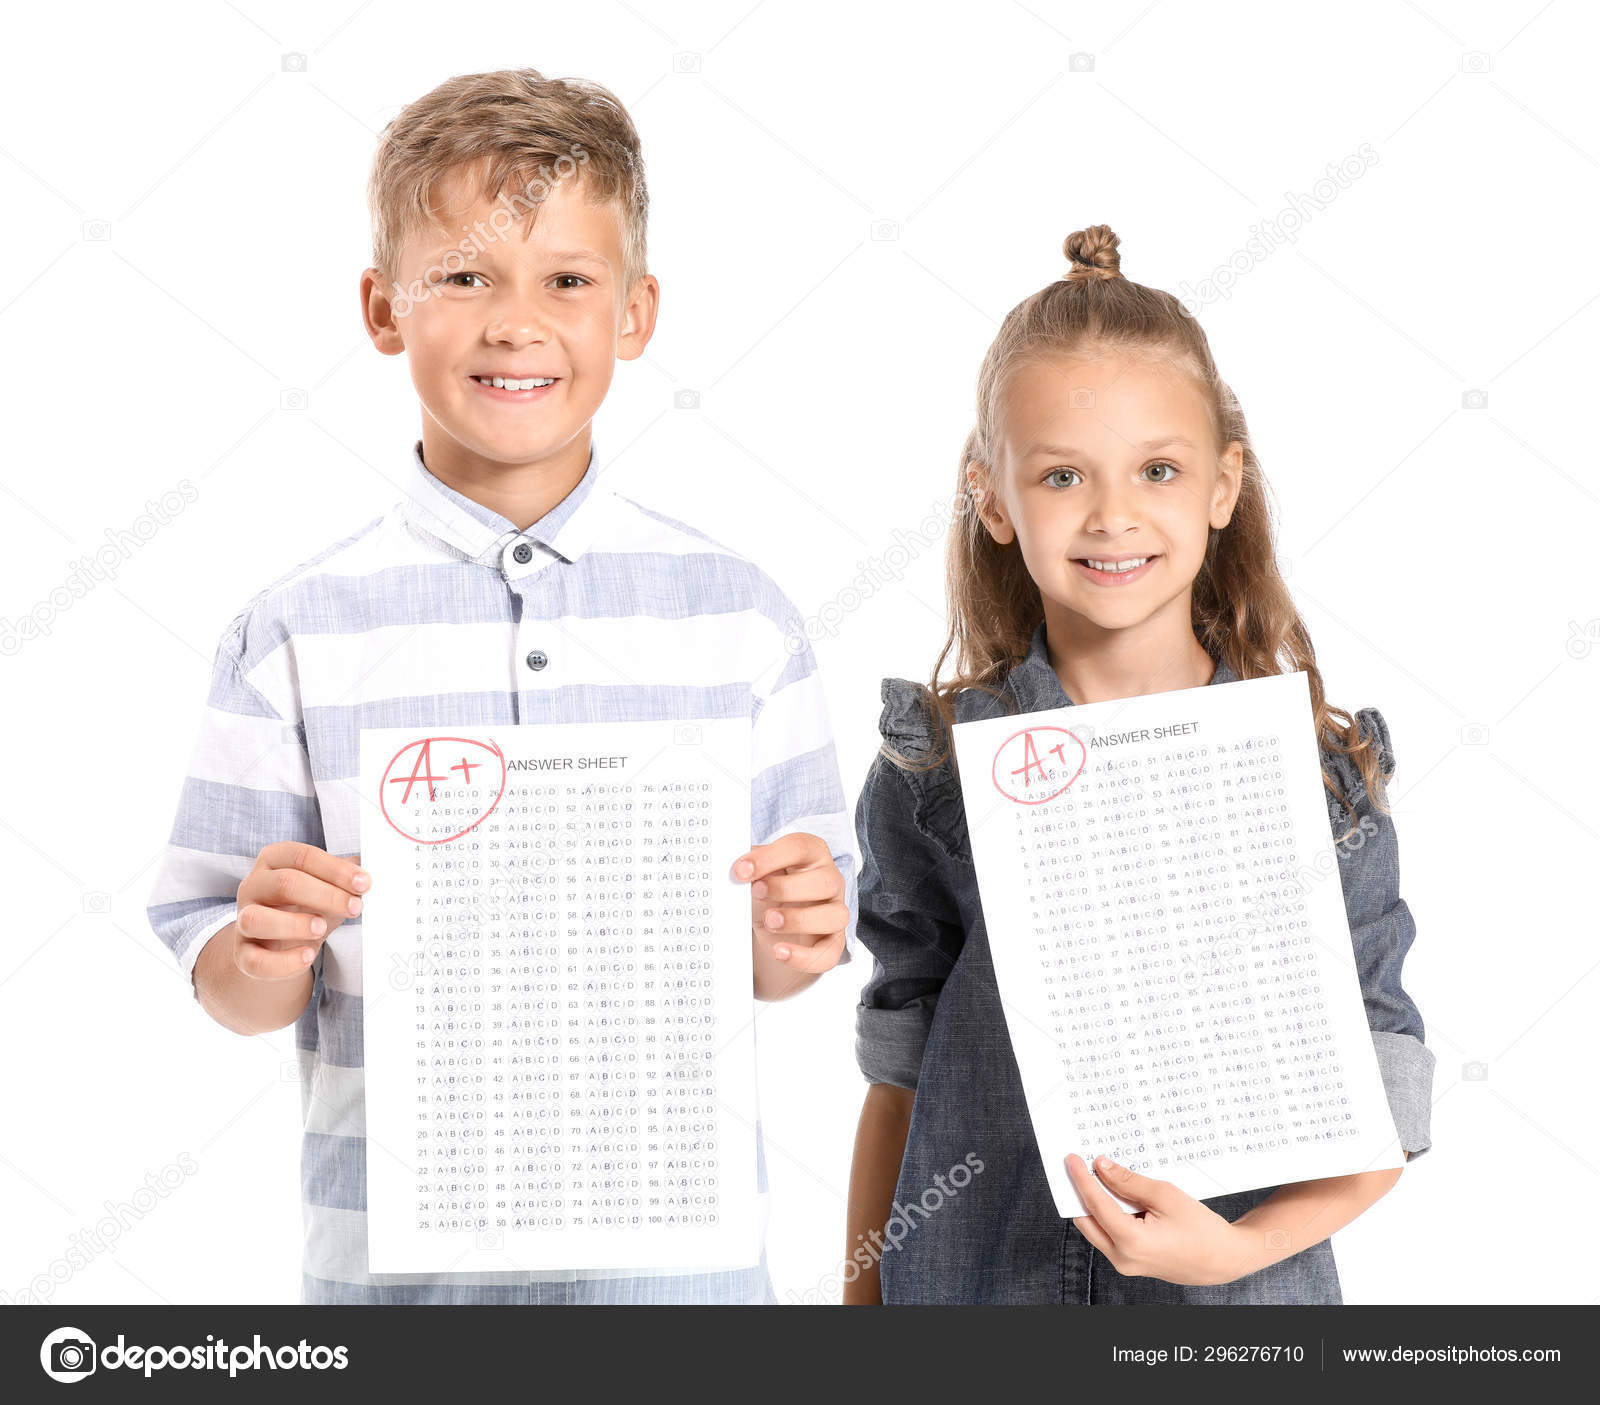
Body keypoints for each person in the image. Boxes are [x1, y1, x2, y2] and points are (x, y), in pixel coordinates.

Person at [146, 68, 856, 1305]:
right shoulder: (293, 631)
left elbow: (792, 952)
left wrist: (795, 929)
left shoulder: (737, 617)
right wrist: (262, 943)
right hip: (395, 1292)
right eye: (464, 276)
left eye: (566, 281)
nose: (515, 322)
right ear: (383, 308)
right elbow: (228, 977)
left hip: (680, 1285)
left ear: (635, 314)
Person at [845, 224, 1434, 1305]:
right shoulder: (934, 772)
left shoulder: (1316, 776)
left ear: (1221, 484)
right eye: (1061, 474)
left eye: (1156, 470)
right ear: (991, 498)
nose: (1113, 515)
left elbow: (1383, 1071)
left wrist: (1236, 1251)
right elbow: (900, 1065)